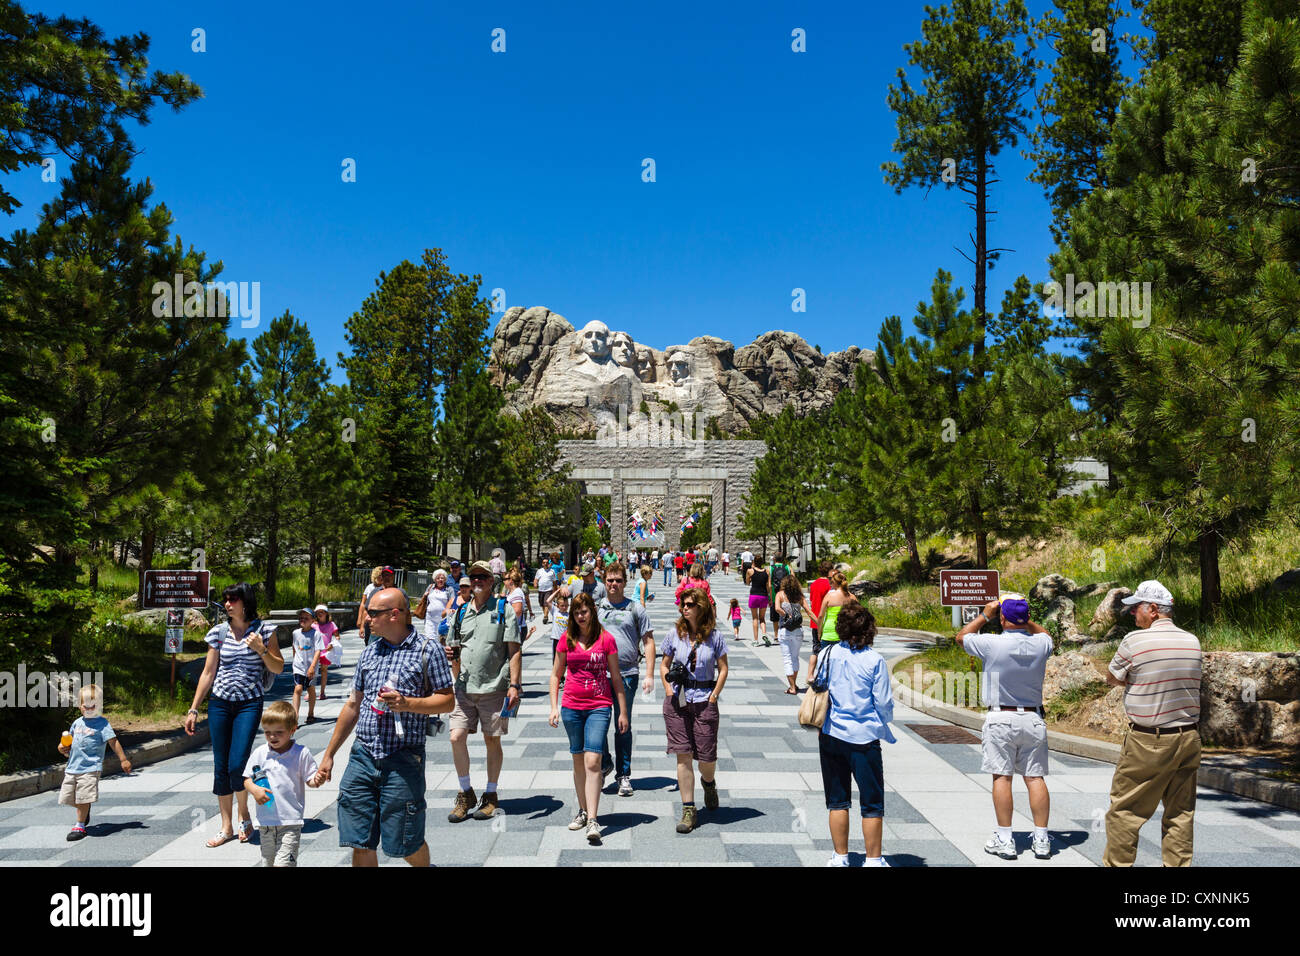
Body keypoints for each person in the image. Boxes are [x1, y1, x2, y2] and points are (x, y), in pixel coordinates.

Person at [312, 587, 455, 866]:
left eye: (373, 613)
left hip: (403, 757)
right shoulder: (370, 652)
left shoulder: (428, 649)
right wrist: (329, 754)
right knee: (360, 839)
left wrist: (407, 704)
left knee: (405, 842)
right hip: (363, 755)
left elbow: (447, 701)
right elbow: (353, 705)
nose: (366, 618)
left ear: (394, 615)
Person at [1103, 580, 1203, 867]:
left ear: (1154, 609)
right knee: (1180, 813)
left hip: (1149, 740)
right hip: (1188, 738)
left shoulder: (1134, 641)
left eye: (1136, 609)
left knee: (1125, 811)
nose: (1133, 615)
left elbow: (1113, 678)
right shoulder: (1192, 641)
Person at [954, 592, 1055, 860]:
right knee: (1035, 778)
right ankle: (1042, 838)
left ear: (1002, 618)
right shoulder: (1041, 644)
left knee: (1002, 776)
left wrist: (986, 614)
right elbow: (1046, 635)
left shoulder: (991, 643)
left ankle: (1005, 837)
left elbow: (962, 636)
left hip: (1000, 718)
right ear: (1028, 618)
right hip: (1033, 719)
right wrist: (1025, 620)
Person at [186, 582, 285, 847]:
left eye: (233, 599)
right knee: (221, 765)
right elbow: (208, 673)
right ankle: (225, 826)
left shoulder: (264, 630)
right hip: (220, 704)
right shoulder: (218, 632)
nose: (228, 604)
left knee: (237, 763)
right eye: (226, 600)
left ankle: (244, 817)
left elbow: (278, 667)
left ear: (245, 602)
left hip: (248, 704)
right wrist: (194, 708)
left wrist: (261, 649)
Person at [444, 560, 523, 822]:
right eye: (473, 577)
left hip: (494, 688)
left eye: (482, 577)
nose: (476, 581)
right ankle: (466, 792)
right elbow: (452, 646)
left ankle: (490, 794)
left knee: (492, 740)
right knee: (456, 737)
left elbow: (514, 649)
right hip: (464, 687)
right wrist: (450, 656)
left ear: (491, 581)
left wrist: (515, 684)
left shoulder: (503, 609)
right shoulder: (461, 612)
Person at [818, 602, 895, 867]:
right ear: (869, 629)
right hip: (863, 737)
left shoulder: (829, 653)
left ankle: (840, 856)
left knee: (837, 800)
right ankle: (873, 859)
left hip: (831, 734)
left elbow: (819, 684)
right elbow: (883, 702)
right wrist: (883, 723)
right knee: (872, 802)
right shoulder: (875, 660)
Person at [549, 592, 629, 845]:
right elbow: (555, 675)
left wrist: (622, 711)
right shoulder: (566, 639)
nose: (581, 616)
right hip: (571, 706)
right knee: (578, 760)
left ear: (592, 612)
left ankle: (593, 819)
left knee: (593, 760)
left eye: (584, 611)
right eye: (576, 612)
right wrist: (553, 707)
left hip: (599, 705)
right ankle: (583, 811)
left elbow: (616, 677)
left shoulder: (606, 639)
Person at [661, 589, 728, 833]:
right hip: (678, 701)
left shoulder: (715, 637)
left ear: (701, 607)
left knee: (707, 758)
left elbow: (723, 668)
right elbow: (664, 664)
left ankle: (708, 783)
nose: (684, 608)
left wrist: (714, 695)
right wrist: (668, 689)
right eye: (682, 604)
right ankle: (688, 809)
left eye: (689, 604)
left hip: (704, 700)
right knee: (683, 755)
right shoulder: (674, 634)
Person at [597, 562, 656, 797]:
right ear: (604, 581)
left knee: (623, 725)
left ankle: (623, 774)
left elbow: (649, 642)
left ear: (625, 582)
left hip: (627, 674)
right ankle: (604, 762)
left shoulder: (636, 609)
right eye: (610, 580)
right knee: (598, 724)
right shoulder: (596, 609)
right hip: (599, 674)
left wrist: (650, 675)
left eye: (618, 580)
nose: (614, 584)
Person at [243, 700, 320, 867]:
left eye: (279, 732)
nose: (272, 737)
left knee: (283, 864)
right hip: (265, 823)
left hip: (290, 822)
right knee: (267, 863)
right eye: (267, 732)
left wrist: (317, 779)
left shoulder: (300, 753)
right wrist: (254, 789)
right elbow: (247, 779)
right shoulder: (260, 753)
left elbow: (311, 780)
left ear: (293, 730)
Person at [58, 684, 130, 842]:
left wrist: (123, 759)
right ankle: (85, 808)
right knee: (68, 797)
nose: (89, 709)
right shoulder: (77, 723)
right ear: (80, 706)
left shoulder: (102, 724)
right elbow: (67, 742)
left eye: (94, 706)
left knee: (82, 798)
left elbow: (113, 742)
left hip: (91, 768)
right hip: (72, 767)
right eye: (86, 706)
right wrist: (62, 747)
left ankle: (80, 825)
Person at [774, 576, 813, 694]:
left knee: (787, 659)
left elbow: (777, 608)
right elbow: (808, 610)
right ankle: (794, 684)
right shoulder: (799, 596)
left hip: (785, 630)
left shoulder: (780, 595)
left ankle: (792, 687)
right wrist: (818, 624)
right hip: (798, 631)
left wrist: (786, 614)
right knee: (795, 658)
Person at [290, 608, 323, 725]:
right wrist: (294, 662)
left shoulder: (316, 634)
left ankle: (311, 713)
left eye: (306, 618)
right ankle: (295, 716)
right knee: (297, 688)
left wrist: (313, 667)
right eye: (301, 618)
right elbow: (294, 647)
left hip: (311, 667)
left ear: (313, 621)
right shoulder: (295, 633)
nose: (303, 620)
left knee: (310, 689)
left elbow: (318, 651)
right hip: (298, 666)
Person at [806, 559, 833, 684]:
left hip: (814, 621)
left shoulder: (814, 584)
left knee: (815, 649)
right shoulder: (830, 585)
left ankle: (810, 675)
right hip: (825, 621)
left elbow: (812, 600)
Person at [358, 565, 395, 647]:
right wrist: (362, 626)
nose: (386, 578)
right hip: (375, 630)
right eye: (384, 575)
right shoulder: (374, 591)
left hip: (392, 630)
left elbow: (406, 612)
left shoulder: (399, 592)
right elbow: (366, 609)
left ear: (393, 576)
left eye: (389, 575)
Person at [415, 568, 454, 641]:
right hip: (430, 619)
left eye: (442, 578)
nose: (440, 580)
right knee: (429, 639)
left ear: (445, 579)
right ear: (435, 579)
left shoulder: (449, 589)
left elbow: (452, 600)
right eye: (438, 578)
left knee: (441, 639)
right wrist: (425, 596)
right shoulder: (430, 587)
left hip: (443, 619)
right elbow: (424, 599)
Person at [313, 605, 339, 699]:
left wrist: (333, 644)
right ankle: (310, 692)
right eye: (318, 612)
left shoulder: (331, 624)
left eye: (322, 612)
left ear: (326, 614)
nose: (319, 614)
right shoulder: (313, 625)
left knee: (324, 671)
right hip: (315, 651)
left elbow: (337, 636)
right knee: (313, 671)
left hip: (325, 652)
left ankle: (322, 692)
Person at [748, 555, 771, 645]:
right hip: (763, 596)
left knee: (755, 618)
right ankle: (764, 634)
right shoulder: (767, 572)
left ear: (754, 562)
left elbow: (747, 582)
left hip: (753, 595)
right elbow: (769, 586)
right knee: (762, 618)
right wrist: (770, 598)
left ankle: (756, 640)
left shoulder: (750, 571)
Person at [504, 568, 529, 644]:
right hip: (514, 627)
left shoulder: (517, 593)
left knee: (514, 653)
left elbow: (517, 611)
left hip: (516, 628)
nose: (503, 581)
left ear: (511, 580)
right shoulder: (512, 592)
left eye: (505, 579)